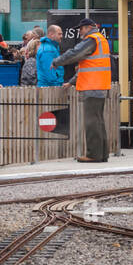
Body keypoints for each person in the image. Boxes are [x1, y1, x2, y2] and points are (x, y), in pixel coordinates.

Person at [51, 18, 111, 162]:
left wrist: (56, 62)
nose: (80, 31)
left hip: (92, 86)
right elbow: (88, 66)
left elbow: (74, 53)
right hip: (100, 85)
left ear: (89, 27)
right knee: (98, 121)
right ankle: (102, 154)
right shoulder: (101, 40)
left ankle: (93, 155)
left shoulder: (91, 40)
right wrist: (72, 82)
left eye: (81, 28)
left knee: (91, 122)